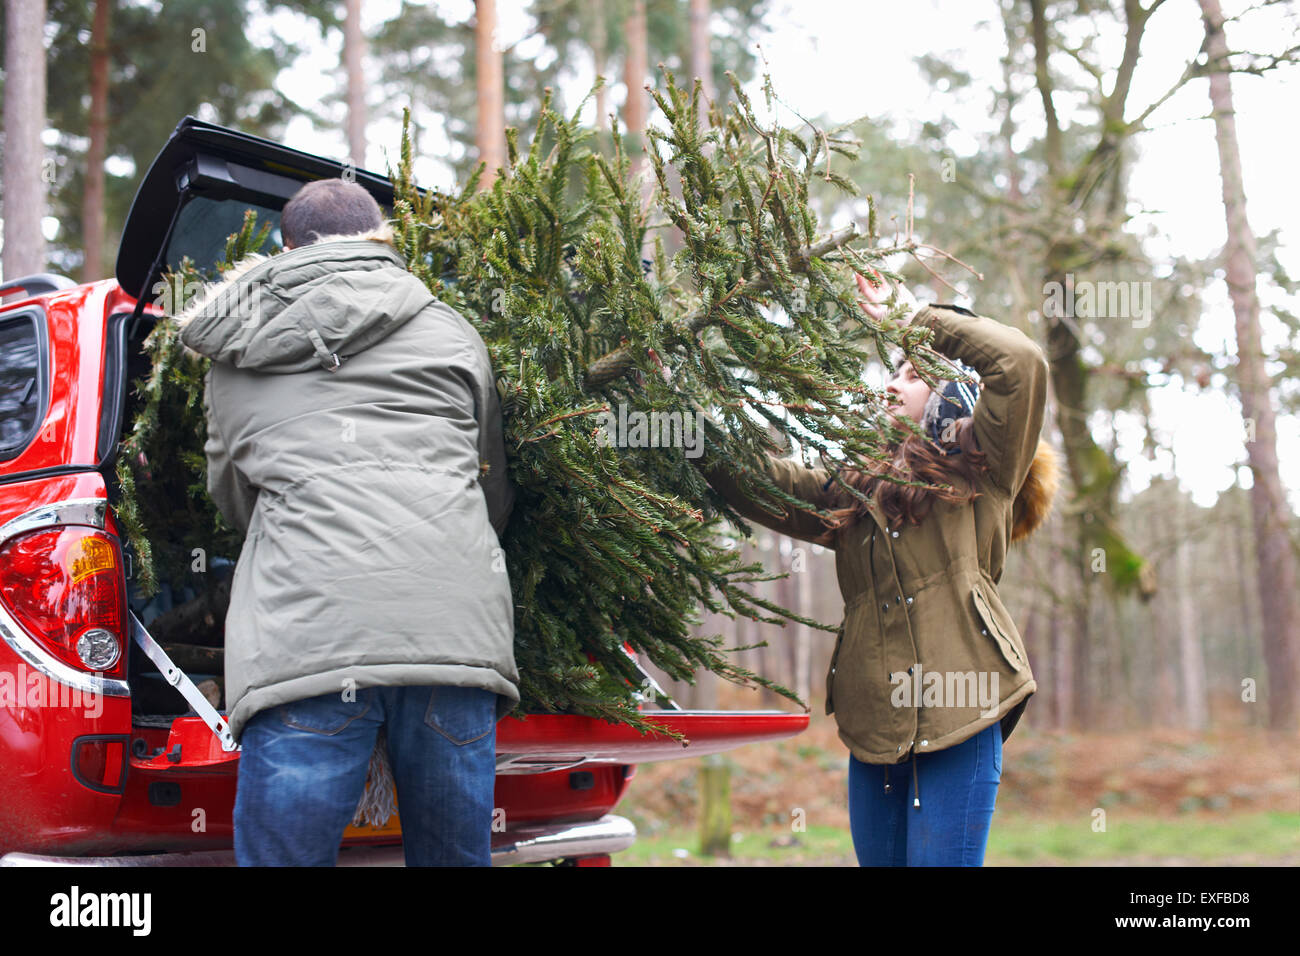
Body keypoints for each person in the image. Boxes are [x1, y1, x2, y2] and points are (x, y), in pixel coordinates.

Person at [176, 178, 519, 867]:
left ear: (286, 248)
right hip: (451, 629)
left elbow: (233, 497)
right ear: (379, 240)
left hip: (306, 639)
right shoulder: (450, 328)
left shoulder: (235, 353)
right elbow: (490, 483)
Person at [696, 271, 1059, 866]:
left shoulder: (986, 467)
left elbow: (1020, 363)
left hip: (963, 713)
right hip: (874, 727)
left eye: (913, 375)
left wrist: (910, 321)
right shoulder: (857, 489)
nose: (892, 383)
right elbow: (768, 483)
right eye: (892, 370)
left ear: (951, 398)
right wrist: (683, 420)